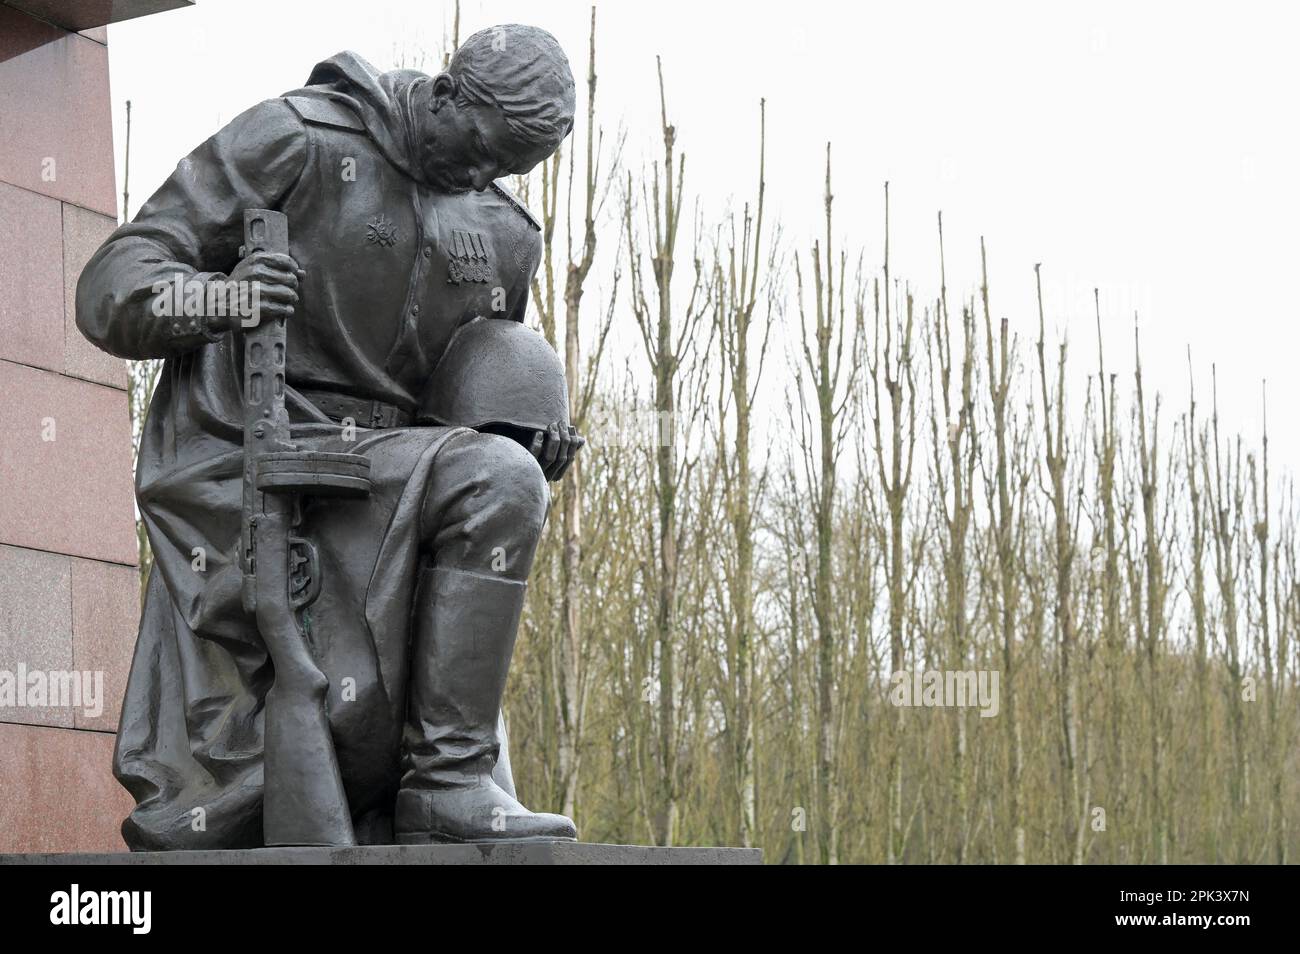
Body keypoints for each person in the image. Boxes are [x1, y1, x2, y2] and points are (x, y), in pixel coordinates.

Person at [76, 24, 583, 847]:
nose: (482, 178)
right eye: (480, 151)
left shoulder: (505, 229)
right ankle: (447, 780)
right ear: (449, 94)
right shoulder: (299, 138)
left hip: (398, 470)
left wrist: (526, 436)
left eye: (508, 168)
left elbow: (466, 394)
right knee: (494, 477)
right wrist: (221, 298)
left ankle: (445, 779)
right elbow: (111, 285)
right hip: (253, 455)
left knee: (504, 474)